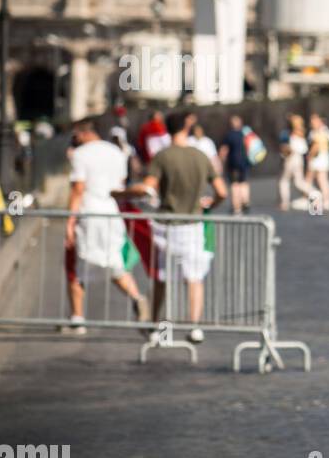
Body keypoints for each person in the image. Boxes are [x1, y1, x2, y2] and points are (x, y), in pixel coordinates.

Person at [114, 112, 227, 345]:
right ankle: (194, 327)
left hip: (166, 225)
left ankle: (155, 327)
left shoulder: (162, 157)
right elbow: (222, 192)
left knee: (160, 279)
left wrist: (120, 194)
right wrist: (210, 204)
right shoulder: (200, 156)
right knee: (194, 278)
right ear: (186, 127)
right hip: (193, 223)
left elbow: (147, 188)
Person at [63, 121, 151, 334]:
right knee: (113, 263)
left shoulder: (81, 155)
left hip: (89, 212)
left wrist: (70, 221)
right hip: (111, 211)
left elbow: (78, 189)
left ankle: (77, 318)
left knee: (75, 266)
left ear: (83, 134)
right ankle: (137, 297)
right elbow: (119, 185)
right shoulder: (116, 152)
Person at [277, 114, 316, 212]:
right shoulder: (301, 133)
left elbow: (286, 148)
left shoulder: (290, 134)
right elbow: (304, 149)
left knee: (284, 181)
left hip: (291, 159)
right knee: (298, 181)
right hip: (298, 159)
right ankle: (314, 194)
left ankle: (285, 203)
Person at [217, 114, 251, 215]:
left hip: (233, 163)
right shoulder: (245, 134)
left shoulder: (229, 135)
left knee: (235, 185)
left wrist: (220, 163)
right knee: (244, 182)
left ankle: (237, 207)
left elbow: (223, 151)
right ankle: (245, 201)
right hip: (244, 162)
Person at [307, 113, 329, 212]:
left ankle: (317, 205)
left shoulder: (324, 133)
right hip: (323, 159)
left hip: (319, 158)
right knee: (319, 181)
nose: (312, 123)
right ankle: (324, 202)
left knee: (312, 181)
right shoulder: (314, 132)